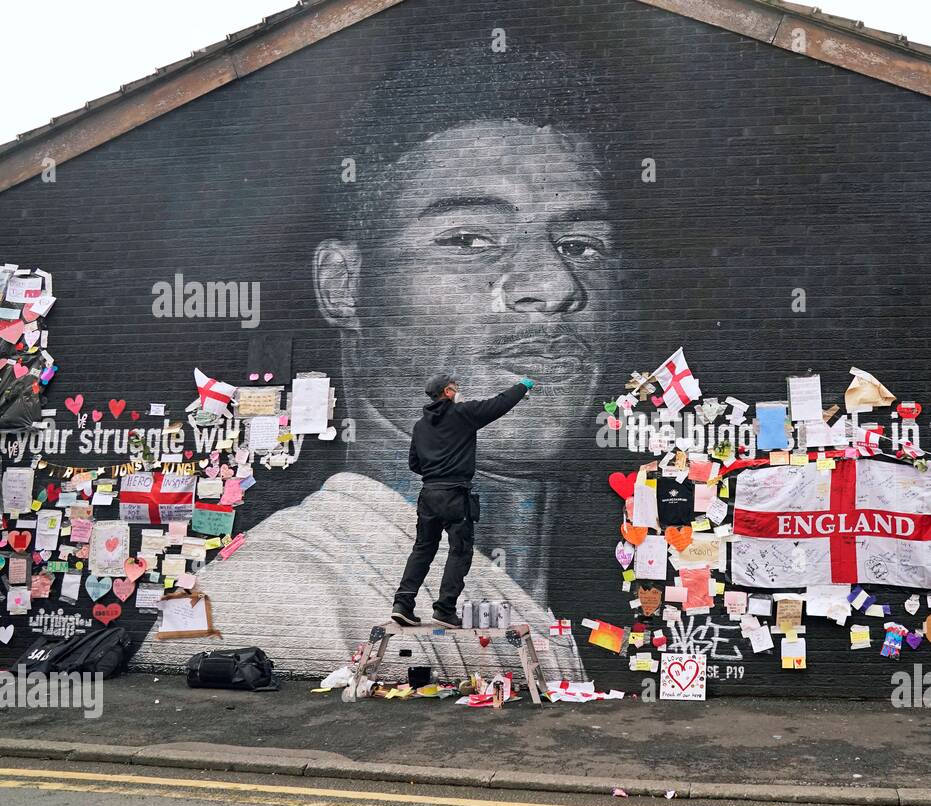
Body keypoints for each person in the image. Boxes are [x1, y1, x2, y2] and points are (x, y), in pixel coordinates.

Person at [134, 49, 619, 682]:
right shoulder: (275, 600)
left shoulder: (603, 585)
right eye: (469, 241)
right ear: (343, 287)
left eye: (581, 245)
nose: (553, 285)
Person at [392, 373, 533, 627]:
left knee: (423, 548)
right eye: (455, 388)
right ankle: (445, 609)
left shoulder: (420, 426)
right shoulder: (463, 414)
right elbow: (498, 403)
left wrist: (435, 470)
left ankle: (403, 603)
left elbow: (414, 464)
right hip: (455, 494)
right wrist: (522, 386)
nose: (458, 391)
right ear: (447, 392)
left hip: (429, 494)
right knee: (460, 550)